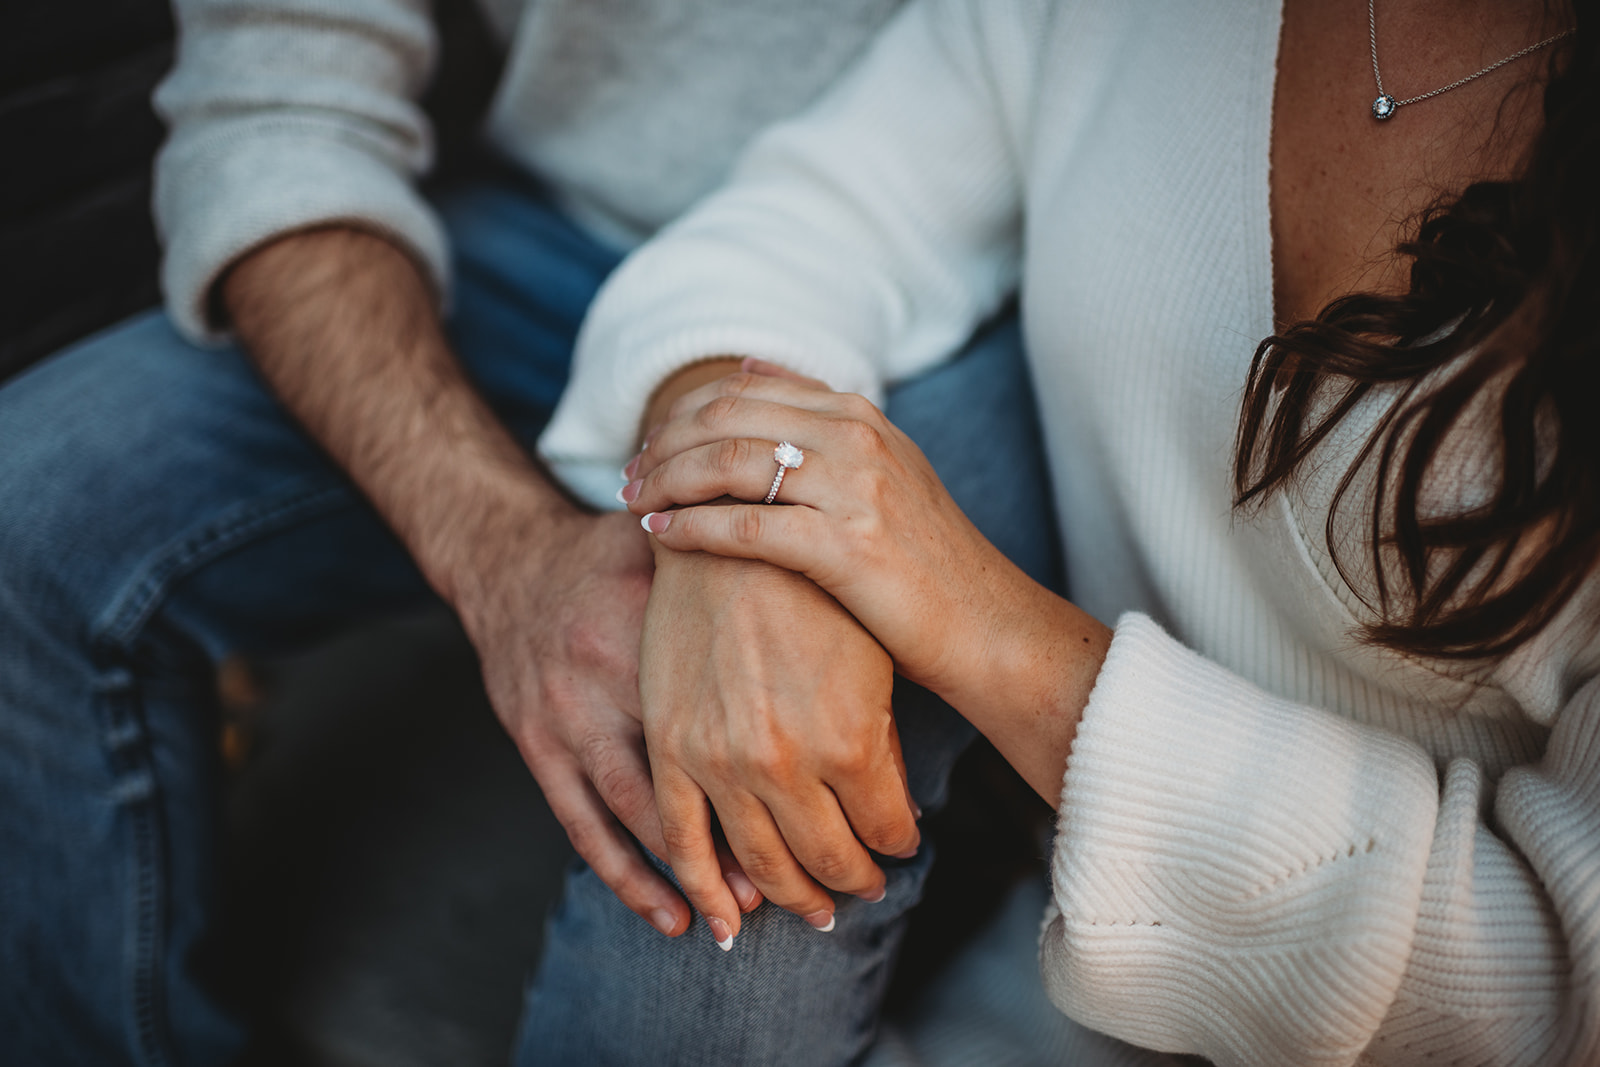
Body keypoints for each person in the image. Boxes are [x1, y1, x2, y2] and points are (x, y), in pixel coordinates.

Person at [0, 1, 1065, 1063]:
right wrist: (503, 557)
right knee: (32, 515)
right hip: (567, 228)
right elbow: (277, 111)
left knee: (744, 813)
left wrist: (746, 527)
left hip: (940, 296)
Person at [542, 0, 1600, 1062]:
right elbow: (820, 213)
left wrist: (988, 627)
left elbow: (1558, 984)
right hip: (1034, 1006)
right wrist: (742, 523)